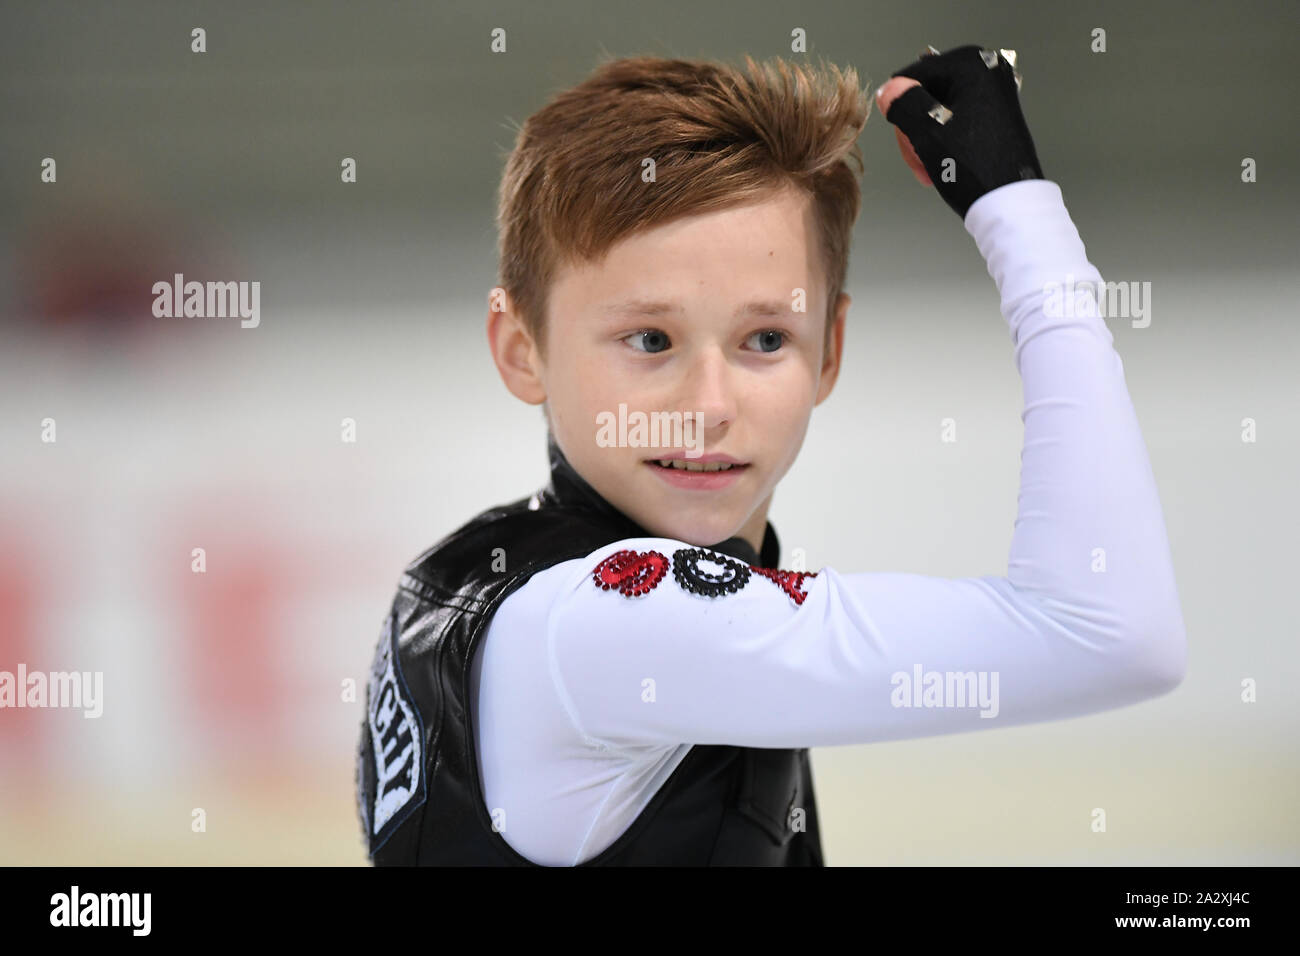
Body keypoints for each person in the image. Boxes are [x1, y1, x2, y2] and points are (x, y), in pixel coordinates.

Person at [355, 45, 1186, 866]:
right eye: (650, 339)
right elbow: (1113, 634)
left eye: (764, 338)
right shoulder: (612, 625)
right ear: (520, 347)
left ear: (830, 350)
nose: (711, 407)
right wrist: (1023, 224)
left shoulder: (460, 577)